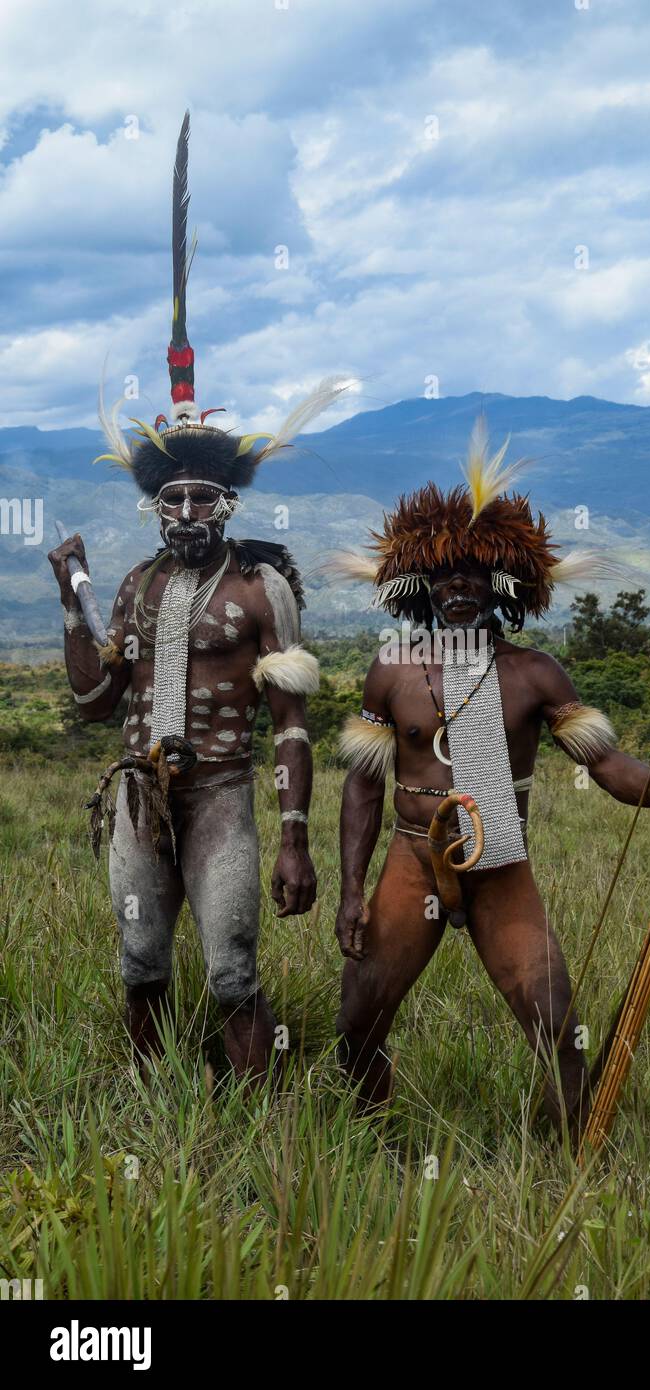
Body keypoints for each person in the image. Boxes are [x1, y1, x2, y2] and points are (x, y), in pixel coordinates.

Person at [48, 113, 347, 1081]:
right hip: (139, 790)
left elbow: (292, 724)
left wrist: (294, 837)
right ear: (155, 507)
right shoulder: (134, 584)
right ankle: (149, 1100)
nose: (182, 510)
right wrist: (71, 605)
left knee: (229, 967)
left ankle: (250, 1118)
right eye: (168, 496)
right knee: (139, 960)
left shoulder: (261, 589)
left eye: (199, 497)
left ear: (226, 503)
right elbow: (96, 704)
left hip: (221, 791)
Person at [331, 421, 650, 1137]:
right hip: (412, 858)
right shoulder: (392, 671)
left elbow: (606, 764)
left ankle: (572, 1157)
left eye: (473, 575)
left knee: (556, 1022)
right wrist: (351, 892)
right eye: (446, 576)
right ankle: (367, 1139)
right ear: (424, 587)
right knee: (358, 1021)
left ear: (498, 585)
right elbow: (362, 786)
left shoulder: (535, 673)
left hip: (500, 864)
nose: (459, 588)